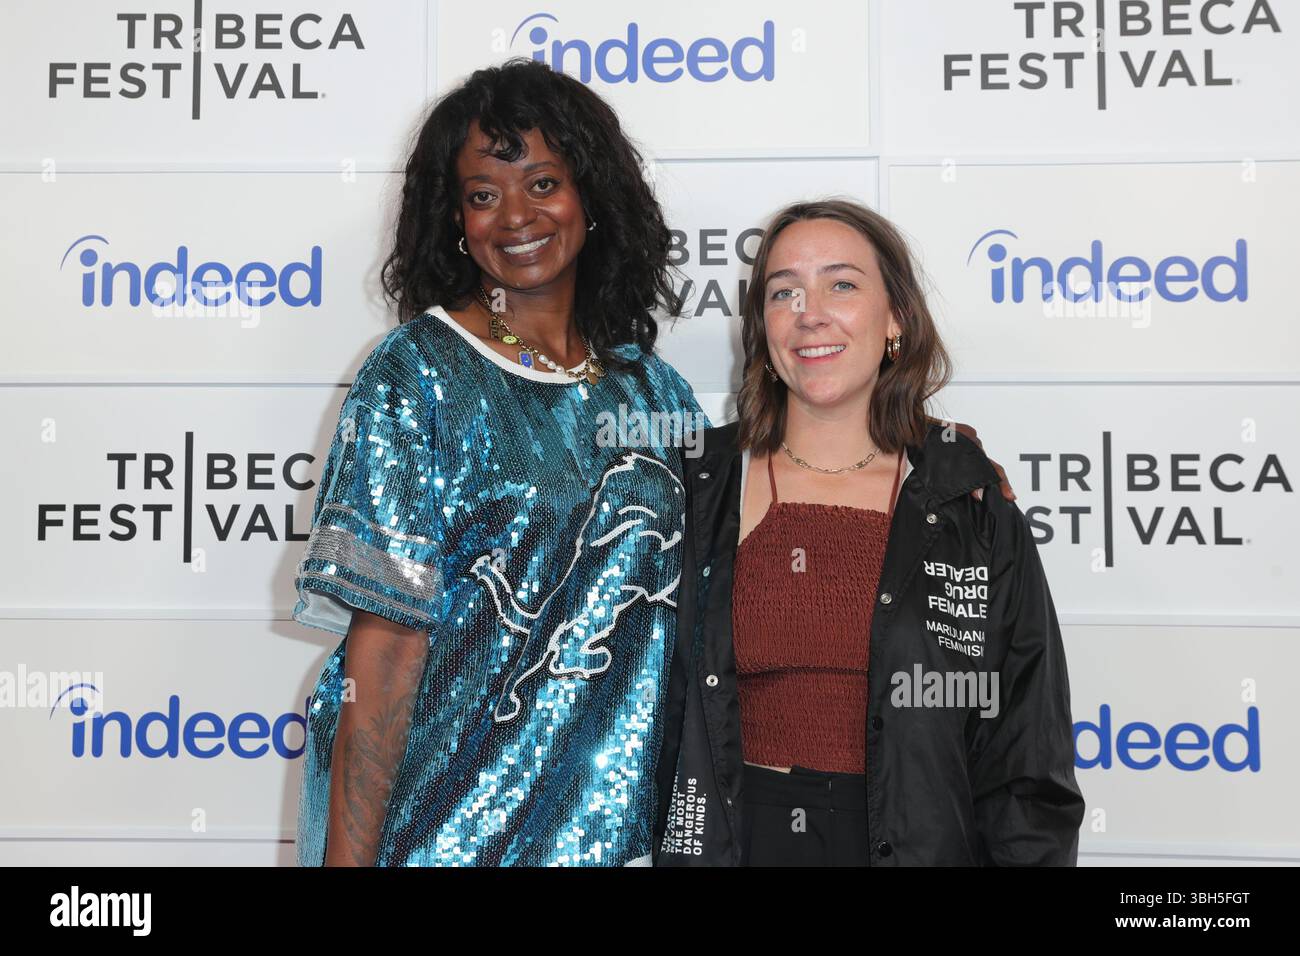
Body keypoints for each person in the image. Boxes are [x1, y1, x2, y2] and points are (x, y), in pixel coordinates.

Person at [290, 57, 704, 866]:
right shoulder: (415, 374)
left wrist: (916, 459)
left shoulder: (655, 389)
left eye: (543, 183)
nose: (515, 214)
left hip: (612, 840)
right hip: (437, 831)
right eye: (483, 194)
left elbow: (740, 556)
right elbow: (384, 648)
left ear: (592, 195)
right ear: (454, 218)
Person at [653, 199, 1084, 866]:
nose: (810, 312)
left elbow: (1025, 763)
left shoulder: (969, 507)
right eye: (784, 291)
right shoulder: (688, 489)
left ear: (896, 322)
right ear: (761, 329)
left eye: (843, 284)